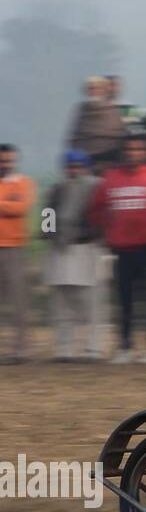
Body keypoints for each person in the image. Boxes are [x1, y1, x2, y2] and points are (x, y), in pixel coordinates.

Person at [88, 134, 146, 363]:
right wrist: (109, 232)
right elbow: (96, 210)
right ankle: (125, 347)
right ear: (123, 152)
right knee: (124, 300)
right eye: (130, 149)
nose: (134, 153)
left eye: (139, 149)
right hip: (121, 250)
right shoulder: (110, 179)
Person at [43, 150, 104, 362]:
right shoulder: (56, 189)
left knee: (89, 301)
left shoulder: (96, 187)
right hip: (60, 250)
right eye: (70, 166)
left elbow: (100, 218)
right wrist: (50, 233)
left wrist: (87, 235)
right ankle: (64, 349)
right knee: (61, 300)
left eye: (78, 166)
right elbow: (47, 216)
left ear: (85, 167)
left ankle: (93, 348)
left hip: (86, 249)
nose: (74, 170)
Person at [0, 144, 36, 364]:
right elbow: (12, 208)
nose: (5, 164)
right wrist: (7, 205)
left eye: (8, 160)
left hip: (15, 247)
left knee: (19, 301)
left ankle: (22, 349)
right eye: (2, 160)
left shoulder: (24, 183)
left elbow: (21, 208)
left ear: (15, 160)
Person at [67, 76, 126, 175]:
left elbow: (118, 135)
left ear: (104, 90)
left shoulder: (113, 110)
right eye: (91, 88)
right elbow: (76, 137)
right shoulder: (82, 110)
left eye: (97, 88)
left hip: (109, 165)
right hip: (85, 166)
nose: (94, 91)